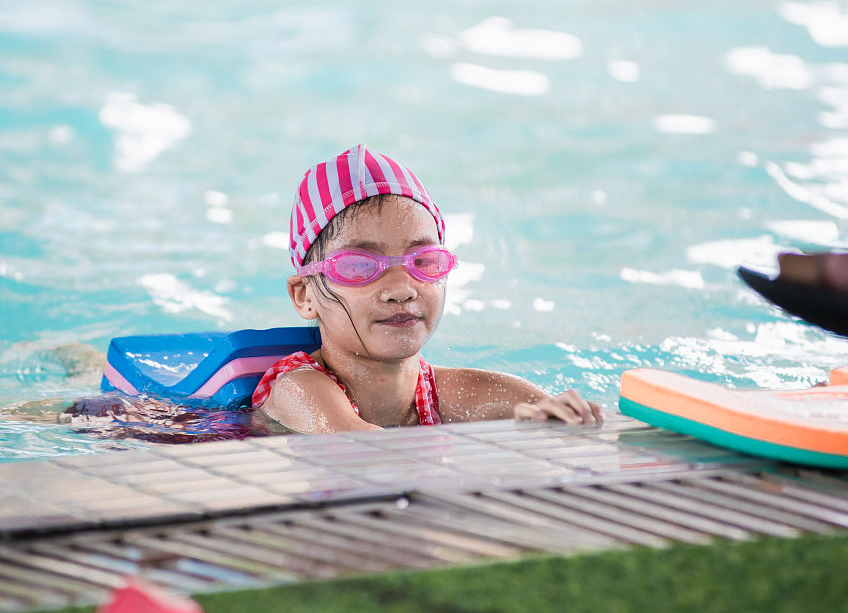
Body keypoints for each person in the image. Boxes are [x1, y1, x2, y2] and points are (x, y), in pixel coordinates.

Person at [252, 144, 603, 432]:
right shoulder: (298, 388)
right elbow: (365, 453)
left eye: (423, 261)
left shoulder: (462, 392)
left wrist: (558, 421)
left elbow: (554, 421)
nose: (402, 289)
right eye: (358, 266)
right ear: (304, 295)